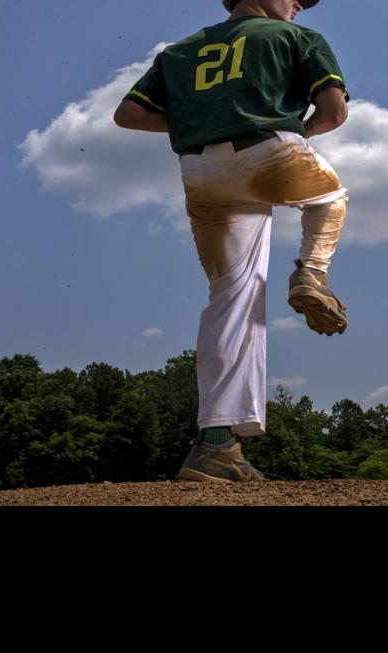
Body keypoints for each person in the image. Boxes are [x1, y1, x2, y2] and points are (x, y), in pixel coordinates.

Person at [113, 0, 350, 483]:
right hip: (271, 149)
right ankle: (312, 273)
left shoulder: (180, 50)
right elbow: (333, 112)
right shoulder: (296, 38)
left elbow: (128, 114)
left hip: (202, 172)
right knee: (329, 198)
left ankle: (216, 446)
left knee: (231, 297)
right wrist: (289, 132)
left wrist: (197, 120)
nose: (298, 7)